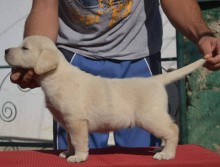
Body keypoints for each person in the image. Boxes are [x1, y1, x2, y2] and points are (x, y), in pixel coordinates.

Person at [10, 0, 220, 149]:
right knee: (76, 152)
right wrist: (32, 60)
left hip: (138, 57)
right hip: (74, 62)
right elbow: (45, 5)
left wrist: (201, 34)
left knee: (140, 156)